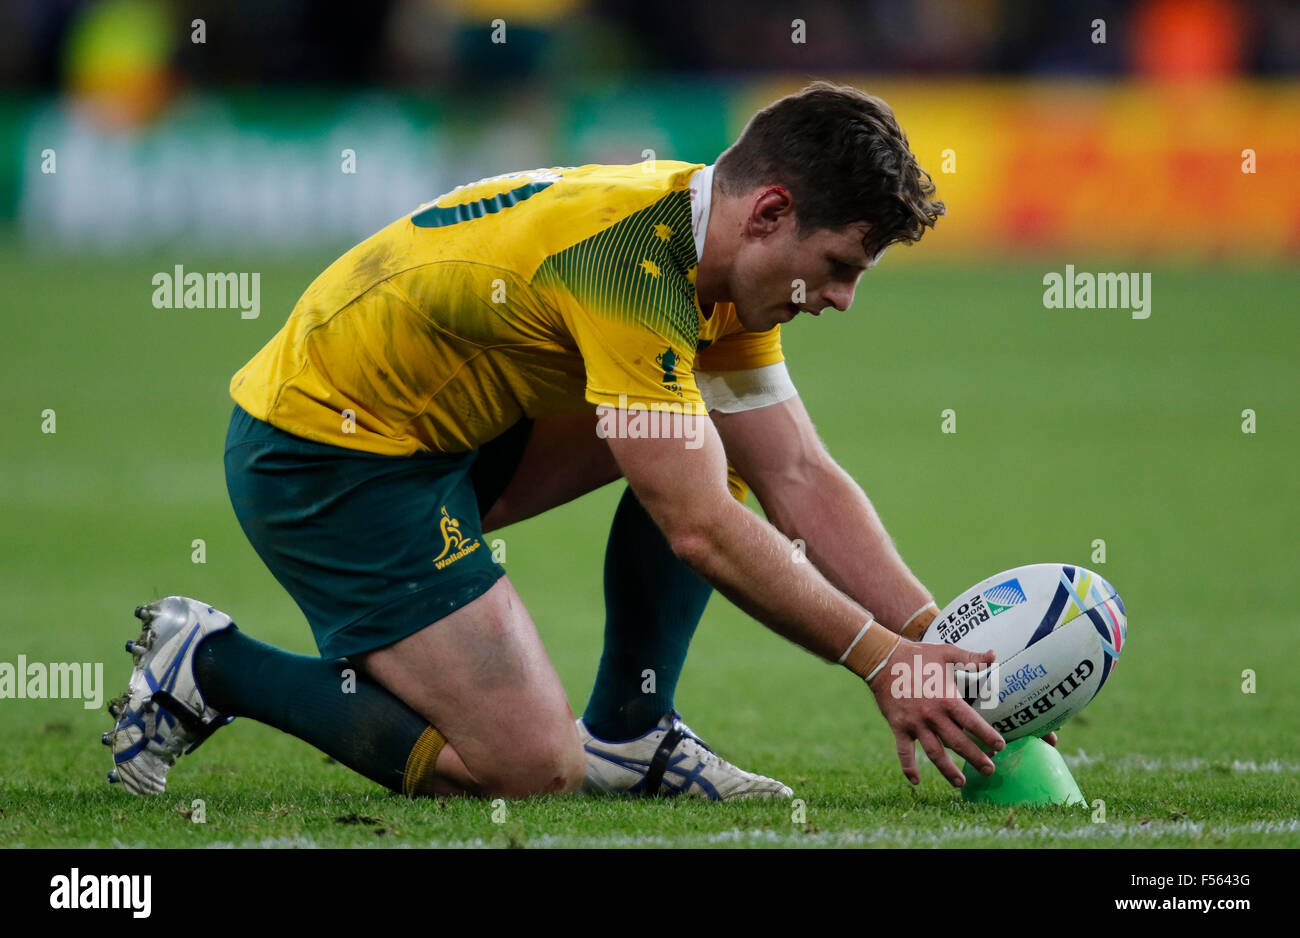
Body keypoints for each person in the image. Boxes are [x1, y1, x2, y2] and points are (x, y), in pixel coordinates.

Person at [104, 81, 1009, 801]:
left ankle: (632, 735)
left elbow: (797, 472)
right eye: (840, 268)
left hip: (456, 426)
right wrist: (886, 664)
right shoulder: (630, 268)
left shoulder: (715, 250)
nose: (842, 299)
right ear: (771, 213)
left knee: (719, 443)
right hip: (325, 457)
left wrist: (939, 643)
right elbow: (695, 526)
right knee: (528, 770)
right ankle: (211, 665)